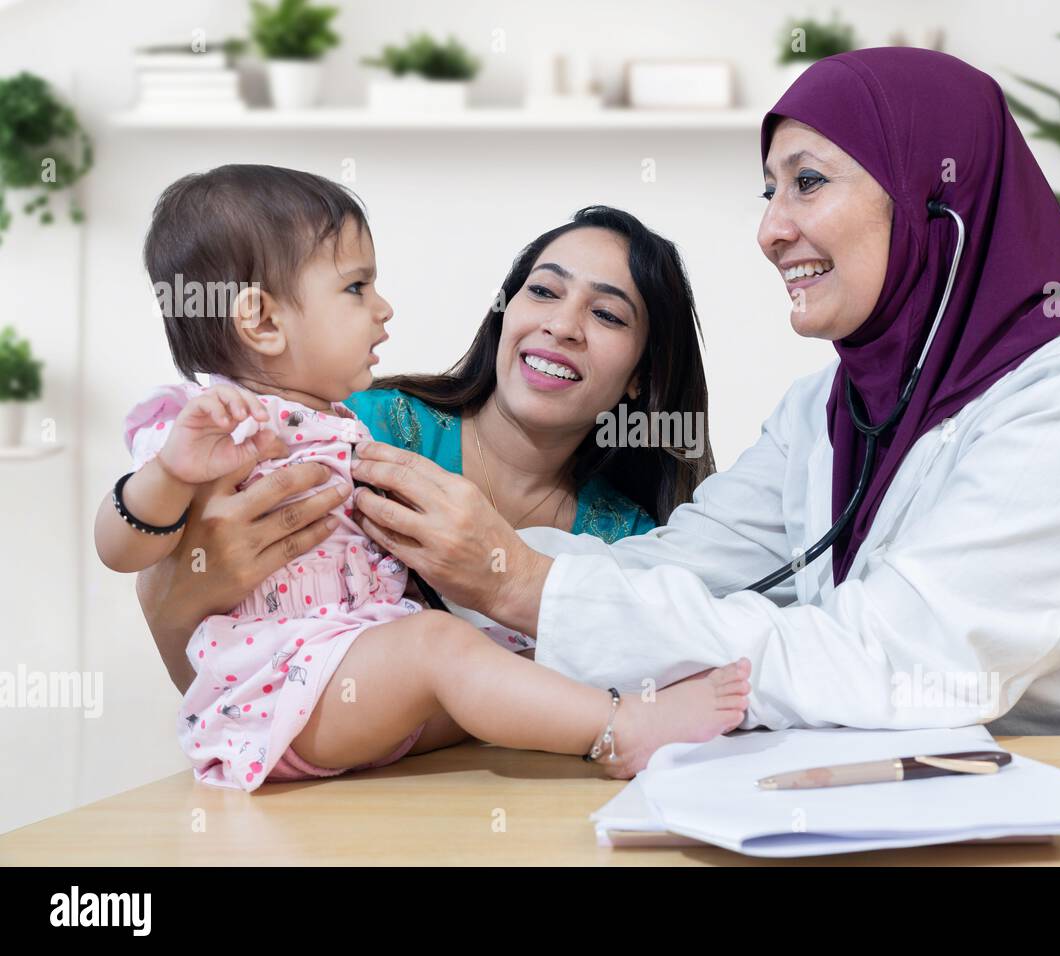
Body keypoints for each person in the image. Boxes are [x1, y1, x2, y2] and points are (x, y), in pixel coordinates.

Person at [347, 48, 1060, 736]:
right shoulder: (829, 411)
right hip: (970, 789)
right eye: (768, 191)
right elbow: (686, 564)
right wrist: (466, 564)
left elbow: (898, 667)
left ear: (936, 201)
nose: (770, 229)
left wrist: (519, 581)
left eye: (807, 183)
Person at [113, 165, 748, 790]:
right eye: (545, 292)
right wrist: (172, 542)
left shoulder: (628, 538)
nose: (561, 325)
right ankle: (620, 730)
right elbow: (170, 586)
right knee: (442, 644)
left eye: (608, 315)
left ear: (642, 372)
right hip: (289, 718)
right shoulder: (349, 429)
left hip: (429, 790)